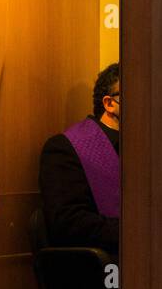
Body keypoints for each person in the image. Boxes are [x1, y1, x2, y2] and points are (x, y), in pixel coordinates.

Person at [39, 63, 121, 253]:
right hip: (105, 260)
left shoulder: (151, 149)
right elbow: (68, 224)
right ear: (110, 104)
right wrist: (138, 232)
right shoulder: (65, 149)